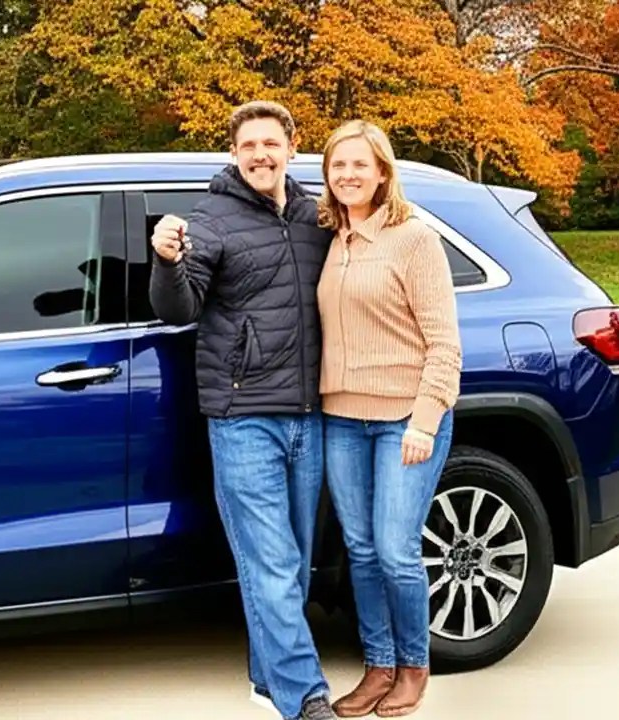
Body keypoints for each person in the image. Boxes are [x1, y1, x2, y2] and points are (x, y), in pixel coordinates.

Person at [150, 100, 337, 720]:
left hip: (308, 414)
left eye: (270, 143)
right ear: (233, 154)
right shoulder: (211, 220)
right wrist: (168, 261)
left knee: (293, 563)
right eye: (248, 145)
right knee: (272, 562)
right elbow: (179, 309)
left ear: (290, 147)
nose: (260, 154)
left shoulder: (318, 216)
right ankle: (304, 697)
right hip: (244, 416)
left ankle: (267, 677)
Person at [314, 119, 462, 717]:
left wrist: (425, 421)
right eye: (337, 165)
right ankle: (378, 666)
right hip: (342, 420)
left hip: (406, 417)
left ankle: (414, 665)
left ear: (382, 172)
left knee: (397, 550)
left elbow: (445, 346)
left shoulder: (412, 240)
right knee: (361, 548)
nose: (348, 175)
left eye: (359, 165)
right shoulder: (332, 238)